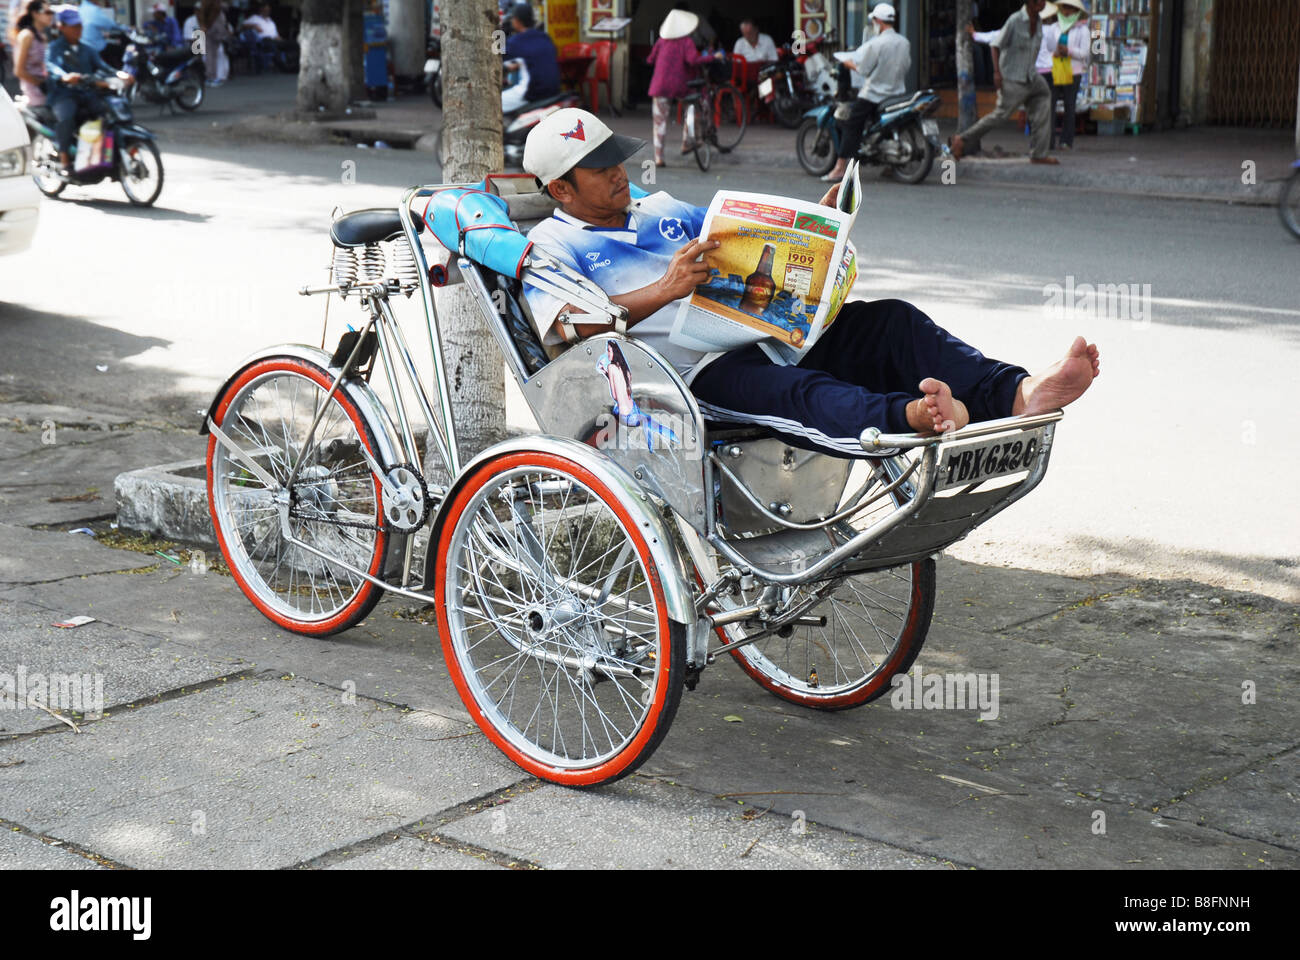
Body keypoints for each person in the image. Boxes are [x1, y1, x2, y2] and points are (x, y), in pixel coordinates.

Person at [518, 108, 1100, 453]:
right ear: (562, 190)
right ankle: (911, 418)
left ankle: (1017, 393)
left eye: (617, 159)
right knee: (801, 393)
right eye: (600, 170)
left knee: (890, 322)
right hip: (689, 376)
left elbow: (740, 238)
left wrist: (812, 228)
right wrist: (661, 292)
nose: (619, 175)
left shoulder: (662, 206)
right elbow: (563, 333)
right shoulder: (551, 245)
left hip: (759, 326)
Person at [950, 0, 1059, 165]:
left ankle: (1039, 153)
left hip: (1031, 76)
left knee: (1044, 98)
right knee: (1000, 116)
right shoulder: (1015, 20)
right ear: (1030, 3)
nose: (1042, 4)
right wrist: (997, 74)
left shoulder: (1038, 22)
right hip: (1013, 78)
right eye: (1038, 1)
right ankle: (962, 139)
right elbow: (995, 45)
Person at [822, 3, 910, 183]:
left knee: (851, 124)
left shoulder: (877, 44)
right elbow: (906, 66)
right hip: (897, 93)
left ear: (878, 21)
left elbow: (862, 69)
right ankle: (888, 165)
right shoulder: (904, 42)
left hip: (874, 94)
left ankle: (840, 167)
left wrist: (847, 63)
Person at [45, 7, 133, 173]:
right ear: (61, 26)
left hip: (86, 92)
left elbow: (103, 66)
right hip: (63, 95)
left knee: (106, 114)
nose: (78, 30)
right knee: (67, 118)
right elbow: (52, 66)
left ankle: (100, 154)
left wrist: (120, 74)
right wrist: (64, 76)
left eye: (79, 26)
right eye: (73, 26)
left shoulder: (87, 48)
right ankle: (64, 158)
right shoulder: (54, 47)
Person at [646, 8, 719, 167]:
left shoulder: (661, 41)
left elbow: (650, 60)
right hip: (682, 86)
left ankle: (658, 157)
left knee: (660, 122)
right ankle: (687, 141)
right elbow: (693, 60)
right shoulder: (686, 42)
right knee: (692, 110)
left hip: (660, 86)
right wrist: (712, 57)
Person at [1044, 0, 1089, 149]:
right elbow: (1047, 48)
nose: (1067, 11)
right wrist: (1055, 52)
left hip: (1073, 72)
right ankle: (1048, 140)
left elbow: (1084, 53)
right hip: (1054, 70)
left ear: (1077, 11)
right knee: (1050, 105)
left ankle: (1066, 141)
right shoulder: (1053, 28)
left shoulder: (1083, 30)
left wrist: (1068, 52)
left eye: (1070, 8)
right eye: (1064, 8)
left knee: (1070, 106)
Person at [501, 3, 558, 112]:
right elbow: (537, 58)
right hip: (553, 92)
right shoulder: (545, 37)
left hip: (532, 92)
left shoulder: (516, 41)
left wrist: (498, 31)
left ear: (517, 20)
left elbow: (497, 56)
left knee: (495, 102)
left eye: (512, 18)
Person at [12, 0, 54, 106]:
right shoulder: (27, 36)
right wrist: (40, 84)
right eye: (47, 12)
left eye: (51, 12)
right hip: (34, 91)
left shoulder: (42, 36)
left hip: (46, 86)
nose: (51, 16)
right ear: (35, 14)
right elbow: (19, 71)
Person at [197, 0, 230, 85]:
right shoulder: (215, 6)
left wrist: (204, 26)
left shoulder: (204, 5)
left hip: (211, 29)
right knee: (213, 55)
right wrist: (206, 26)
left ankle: (211, 76)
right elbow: (214, 12)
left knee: (211, 54)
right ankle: (213, 76)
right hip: (214, 29)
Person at [239, 2, 277, 73]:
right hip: (263, 40)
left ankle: (292, 66)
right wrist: (254, 26)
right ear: (261, 10)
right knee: (273, 46)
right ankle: (282, 66)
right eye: (265, 10)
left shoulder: (271, 21)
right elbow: (243, 26)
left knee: (291, 44)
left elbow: (276, 35)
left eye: (268, 10)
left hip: (274, 40)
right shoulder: (255, 18)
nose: (267, 12)